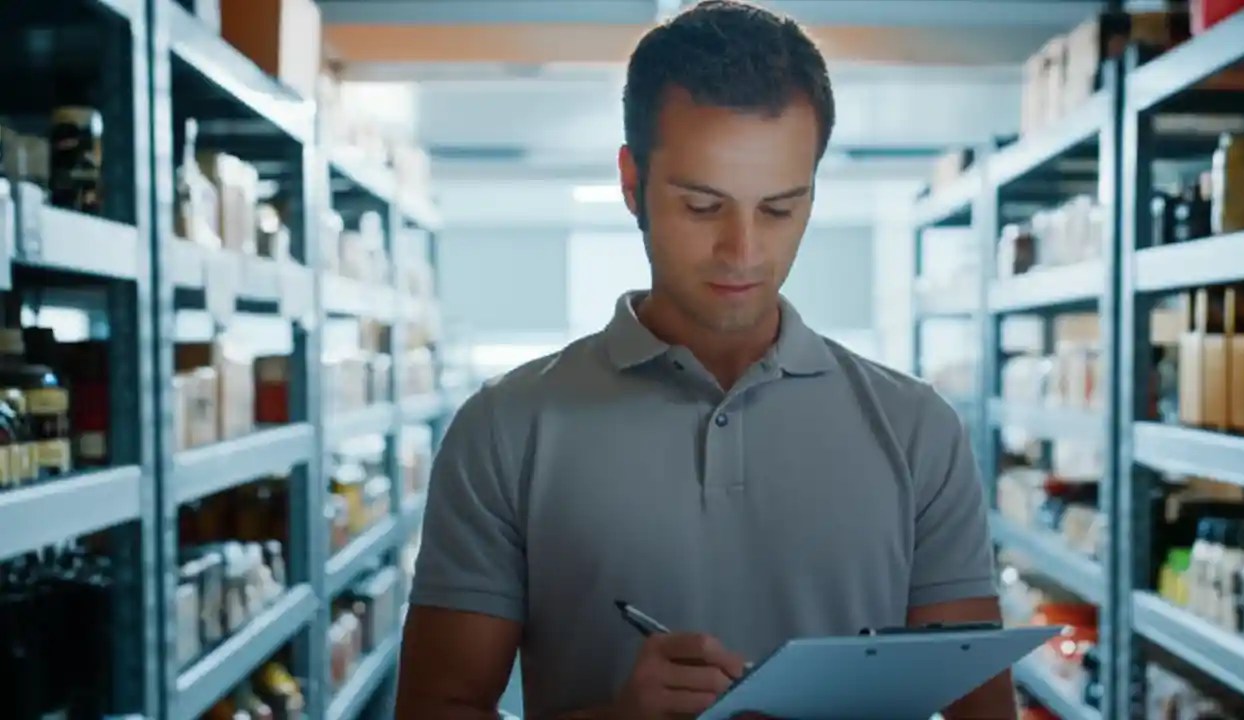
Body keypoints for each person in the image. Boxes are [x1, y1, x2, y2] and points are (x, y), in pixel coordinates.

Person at [395, 1, 1014, 718]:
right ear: (632, 185)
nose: (744, 251)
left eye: (779, 209)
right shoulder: (505, 430)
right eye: (701, 207)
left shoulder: (918, 432)